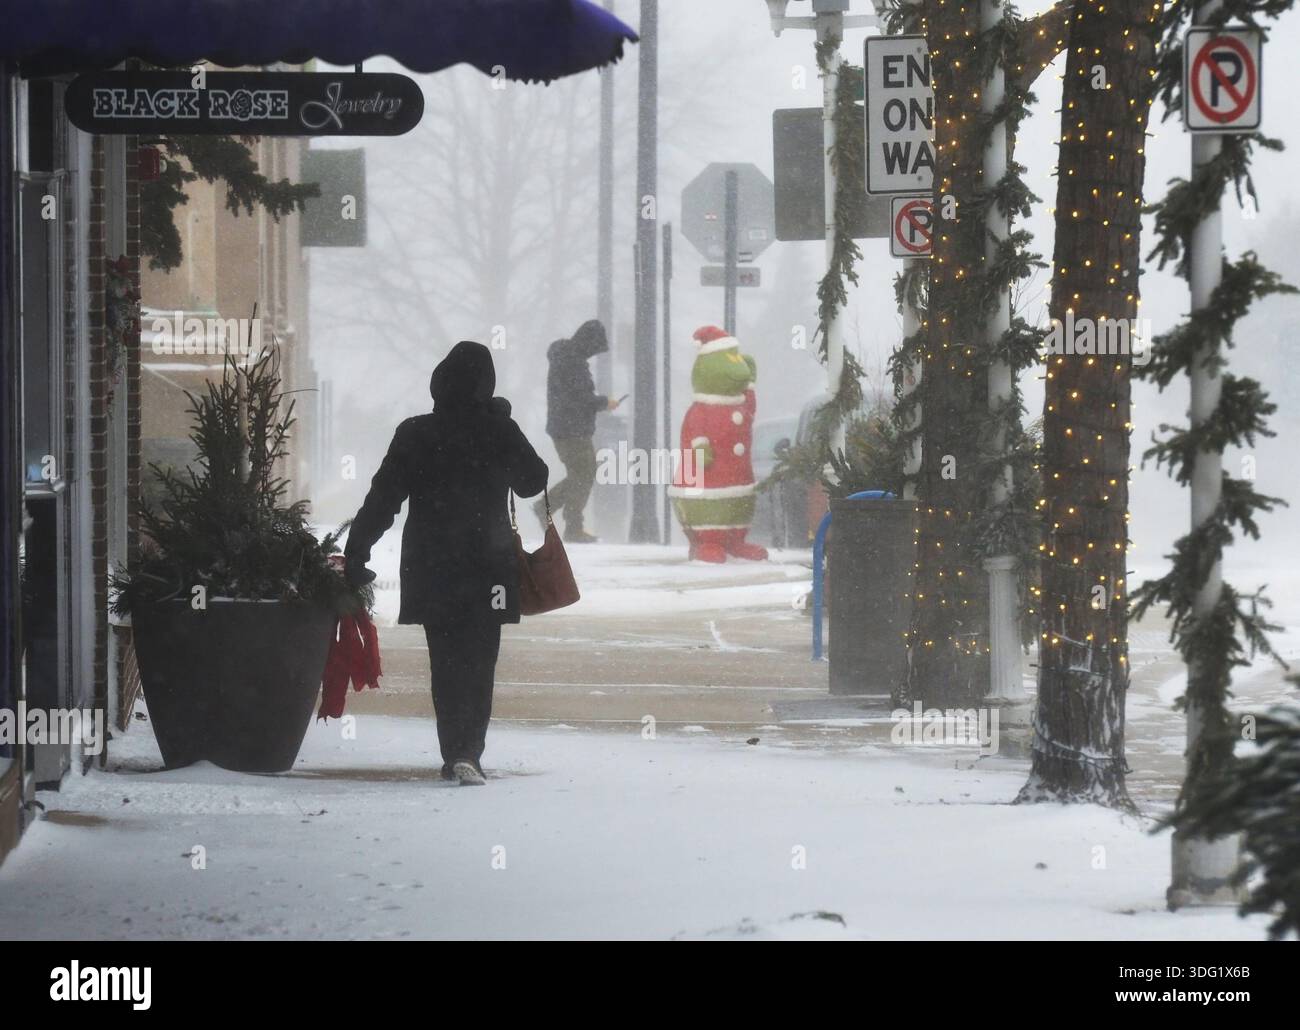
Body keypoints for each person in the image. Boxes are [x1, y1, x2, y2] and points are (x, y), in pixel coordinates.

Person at [344, 341, 547, 787]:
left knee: (446, 661)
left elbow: (383, 499)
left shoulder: (416, 433)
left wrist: (358, 550)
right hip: (488, 565)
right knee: (480, 660)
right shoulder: (497, 430)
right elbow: (535, 480)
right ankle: (469, 751)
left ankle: (453, 749)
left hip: (432, 564)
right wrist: (502, 421)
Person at [542, 318, 618, 542]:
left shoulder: (566, 358)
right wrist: (604, 403)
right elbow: (579, 398)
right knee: (583, 474)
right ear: (588, 343)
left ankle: (551, 512)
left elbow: (573, 397)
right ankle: (572, 526)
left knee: (581, 474)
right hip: (571, 429)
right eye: (594, 349)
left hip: (566, 427)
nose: (594, 355)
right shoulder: (572, 362)